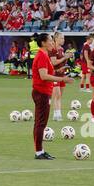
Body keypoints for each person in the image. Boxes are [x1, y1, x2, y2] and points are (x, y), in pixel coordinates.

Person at [32, 31, 64, 160]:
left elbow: (46, 72)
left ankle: (40, 150)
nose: (52, 42)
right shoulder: (42, 56)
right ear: (43, 43)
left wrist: (57, 71)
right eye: (50, 40)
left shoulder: (44, 55)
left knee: (40, 123)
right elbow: (43, 76)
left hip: (42, 92)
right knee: (41, 123)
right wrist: (61, 79)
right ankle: (39, 152)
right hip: (42, 93)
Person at [50, 32, 69, 122]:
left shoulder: (61, 49)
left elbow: (62, 62)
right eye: (61, 38)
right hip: (54, 74)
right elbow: (53, 62)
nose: (63, 40)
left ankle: (57, 113)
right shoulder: (53, 49)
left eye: (64, 38)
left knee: (59, 95)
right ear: (56, 39)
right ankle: (57, 114)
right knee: (57, 94)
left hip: (61, 74)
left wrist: (65, 64)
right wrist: (64, 57)